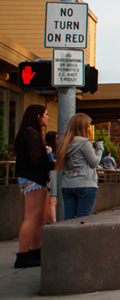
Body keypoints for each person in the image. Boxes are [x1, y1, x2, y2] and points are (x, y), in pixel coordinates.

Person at [14, 105, 53, 268]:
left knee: (41, 217)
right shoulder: (32, 134)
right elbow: (35, 160)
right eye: (46, 114)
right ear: (38, 116)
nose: (48, 117)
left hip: (35, 179)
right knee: (31, 217)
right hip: (33, 179)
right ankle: (23, 255)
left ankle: (35, 252)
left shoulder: (28, 133)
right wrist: (52, 163)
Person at [44, 132, 58, 224]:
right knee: (52, 200)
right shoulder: (48, 149)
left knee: (52, 200)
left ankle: (52, 221)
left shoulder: (55, 150)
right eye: (56, 138)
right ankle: (53, 222)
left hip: (53, 174)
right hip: (51, 174)